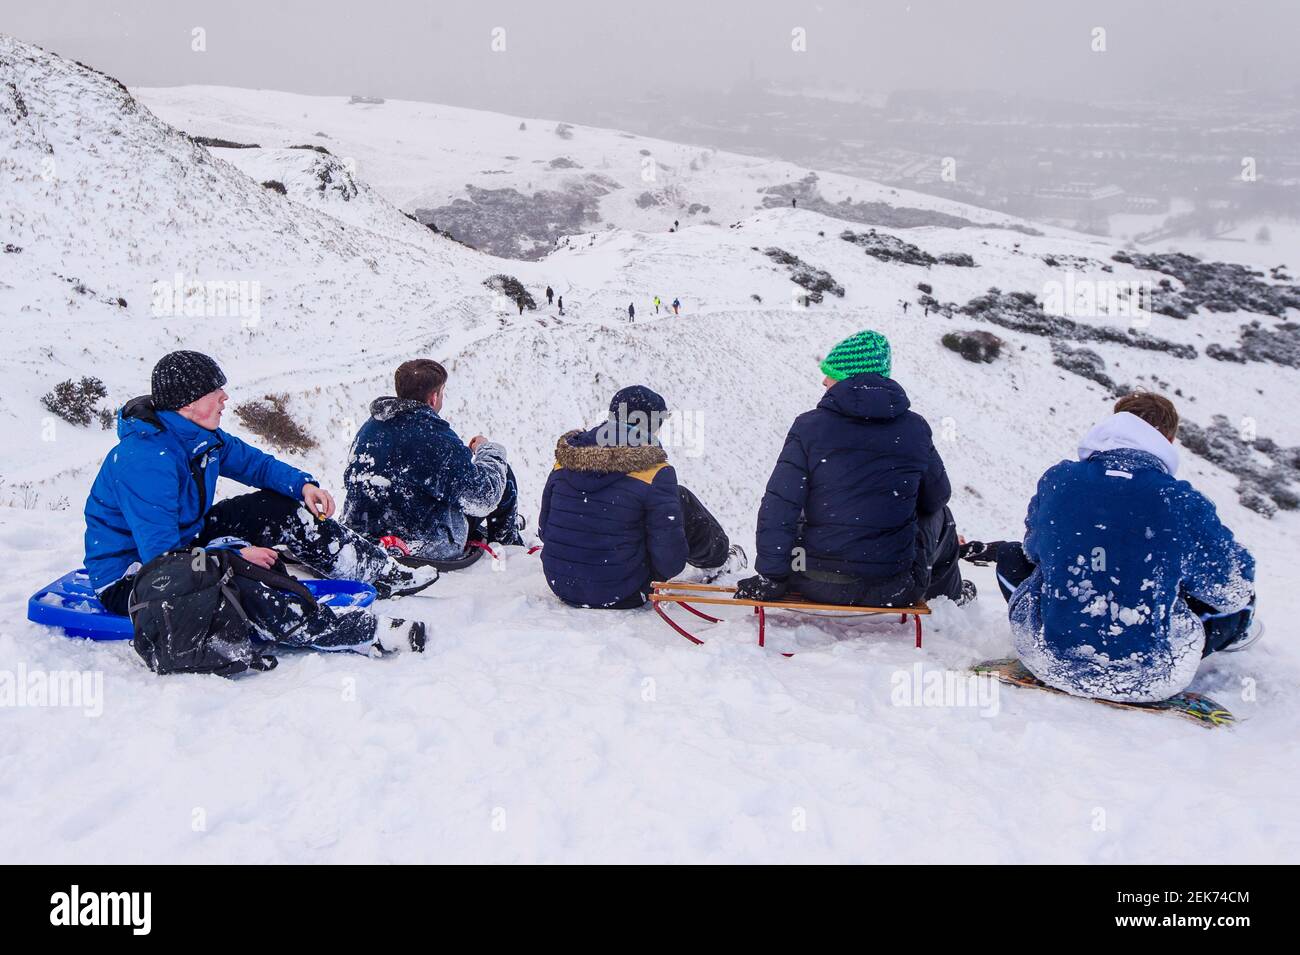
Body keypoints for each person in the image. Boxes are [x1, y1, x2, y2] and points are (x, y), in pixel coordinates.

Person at [84, 351, 435, 655]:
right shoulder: (146, 461)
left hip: (185, 546)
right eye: (215, 391)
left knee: (279, 507)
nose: (225, 398)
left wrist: (302, 486)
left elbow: (255, 465)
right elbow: (162, 559)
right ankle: (361, 634)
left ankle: (376, 571)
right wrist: (231, 558)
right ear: (189, 404)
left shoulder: (201, 437)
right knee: (237, 583)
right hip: (140, 578)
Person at [964, 392, 1258, 703]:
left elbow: (1033, 549)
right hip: (1151, 676)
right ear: (1169, 440)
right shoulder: (1182, 500)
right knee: (1244, 603)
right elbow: (1231, 591)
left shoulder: (1059, 479)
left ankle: (1068, 632)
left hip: (1049, 661)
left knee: (1012, 556)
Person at [736, 330, 969, 608]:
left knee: (797, 497)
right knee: (940, 514)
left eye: (831, 373)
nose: (824, 380)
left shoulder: (809, 427)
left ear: (848, 377)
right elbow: (937, 497)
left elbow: (779, 506)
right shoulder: (915, 428)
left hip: (815, 581)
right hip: (894, 587)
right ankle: (950, 600)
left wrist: (771, 577)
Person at [538, 386, 745, 609]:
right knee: (679, 497)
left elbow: (544, 529)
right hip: (625, 592)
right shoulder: (654, 471)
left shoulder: (566, 459)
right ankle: (717, 560)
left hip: (560, 583)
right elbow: (670, 559)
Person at [343, 359, 524, 563]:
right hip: (422, 544)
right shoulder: (432, 435)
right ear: (434, 397)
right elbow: (484, 497)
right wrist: (486, 449)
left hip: (366, 534)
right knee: (500, 473)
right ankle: (509, 547)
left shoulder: (371, 428)